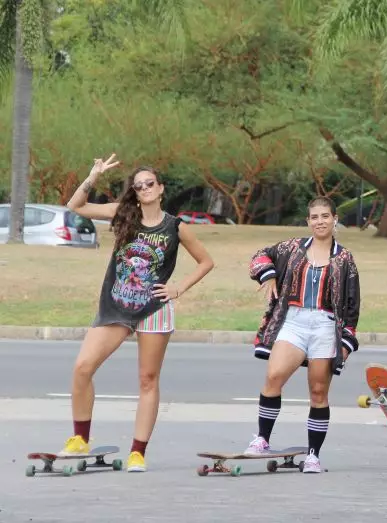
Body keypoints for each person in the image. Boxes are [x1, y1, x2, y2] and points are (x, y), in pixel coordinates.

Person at [59, 154, 215, 472]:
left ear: (160, 189)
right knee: (82, 368)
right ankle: (79, 438)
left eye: (149, 184)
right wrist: (93, 175)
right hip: (115, 306)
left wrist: (178, 288)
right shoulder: (122, 213)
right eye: (138, 185)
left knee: (147, 379)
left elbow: (206, 262)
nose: (143, 188)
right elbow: (76, 206)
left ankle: (137, 452)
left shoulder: (176, 227)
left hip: (153, 309)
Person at [243, 197, 360, 473]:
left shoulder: (344, 258)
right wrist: (268, 275)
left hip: (325, 325)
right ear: (308, 221)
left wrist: (346, 342)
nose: (319, 221)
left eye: (325, 216)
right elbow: (259, 255)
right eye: (314, 217)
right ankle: (262, 439)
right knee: (274, 377)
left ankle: (313, 455)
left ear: (334, 219)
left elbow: (353, 305)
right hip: (293, 321)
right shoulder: (292, 248)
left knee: (318, 391)